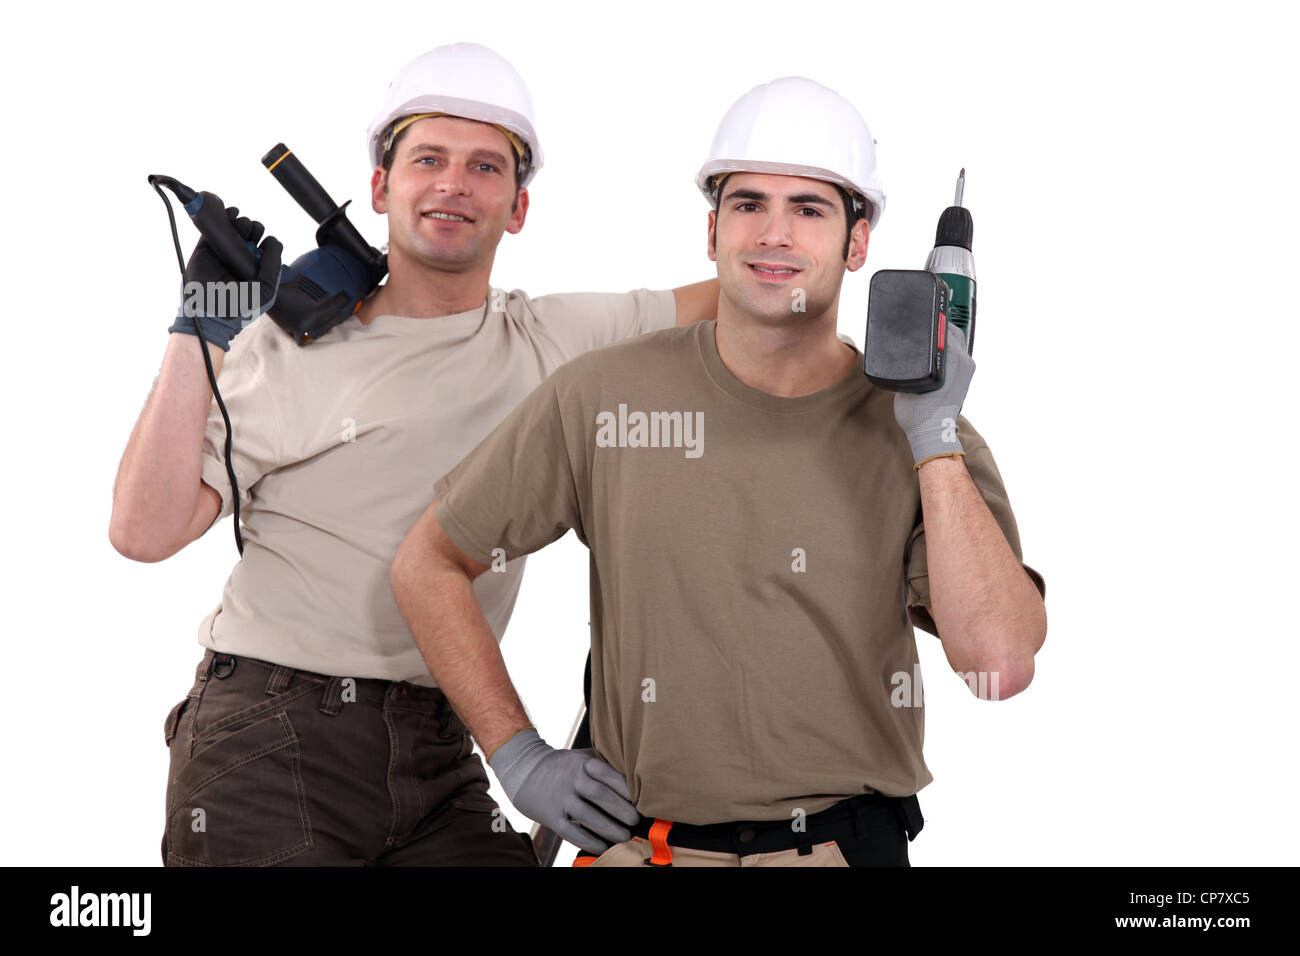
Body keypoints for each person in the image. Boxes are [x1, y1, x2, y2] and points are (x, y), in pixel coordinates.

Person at [391, 76, 1048, 867]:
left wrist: (934, 435)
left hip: (842, 849)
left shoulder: (919, 427)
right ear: (712, 231)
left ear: (859, 242)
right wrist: (518, 755)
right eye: (748, 205)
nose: (773, 233)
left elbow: (998, 662)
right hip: (645, 847)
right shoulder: (605, 394)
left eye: (808, 209)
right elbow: (429, 560)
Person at [109, 42, 718, 866]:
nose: (452, 184)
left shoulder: (547, 338)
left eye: (484, 167)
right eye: (427, 158)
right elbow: (144, 531)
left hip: (442, 744)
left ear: (518, 208)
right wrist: (198, 333)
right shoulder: (281, 348)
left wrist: (858, 267)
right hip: (270, 734)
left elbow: (747, 294)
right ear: (378, 188)